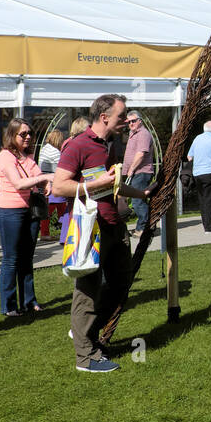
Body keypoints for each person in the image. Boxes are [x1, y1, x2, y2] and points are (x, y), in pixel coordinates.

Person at [52, 94, 149, 374]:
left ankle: (84, 333)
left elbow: (113, 185)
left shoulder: (110, 145)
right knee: (88, 291)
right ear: (104, 117)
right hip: (90, 229)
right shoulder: (77, 145)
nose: (127, 120)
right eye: (122, 116)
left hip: (114, 225)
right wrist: (95, 184)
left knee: (120, 284)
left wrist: (142, 192)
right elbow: (59, 187)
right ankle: (86, 357)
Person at [0, 117, 50, 317]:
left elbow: (38, 177)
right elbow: (19, 184)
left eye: (30, 133)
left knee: (27, 259)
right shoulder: (5, 157)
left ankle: (29, 301)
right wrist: (45, 178)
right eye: (23, 134)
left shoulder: (28, 157)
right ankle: (9, 305)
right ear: (12, 135)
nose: (28, 137)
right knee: (11, 259)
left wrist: (46, 183)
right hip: (10, 211)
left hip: (30, 211)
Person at [123, 110, 155, 236]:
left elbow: (141, 154)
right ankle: (143, 227)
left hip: (141, 172)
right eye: (129, 121)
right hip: (135, 172)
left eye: (133, 121)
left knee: (138, 201)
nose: (131, 123)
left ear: (140, 121)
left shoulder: (143, 134)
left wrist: (131, 169)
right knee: (137, 201)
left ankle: (144, 229)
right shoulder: (133, 133)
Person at [187, 120, 211, 232]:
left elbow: (189, 156)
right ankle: (209, 227)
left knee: (202, 199)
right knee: (209, 200)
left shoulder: (197, 138)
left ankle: (205, 224)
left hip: (197, 173)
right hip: (209, 172)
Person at [38, 128, 66, 240]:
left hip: (45, 184)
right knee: (62, 210)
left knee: (48, 212)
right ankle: (64, 231)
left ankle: (45, 233)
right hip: (54, 185)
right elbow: (62, 168)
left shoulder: (44, 149)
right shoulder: (55, 152)